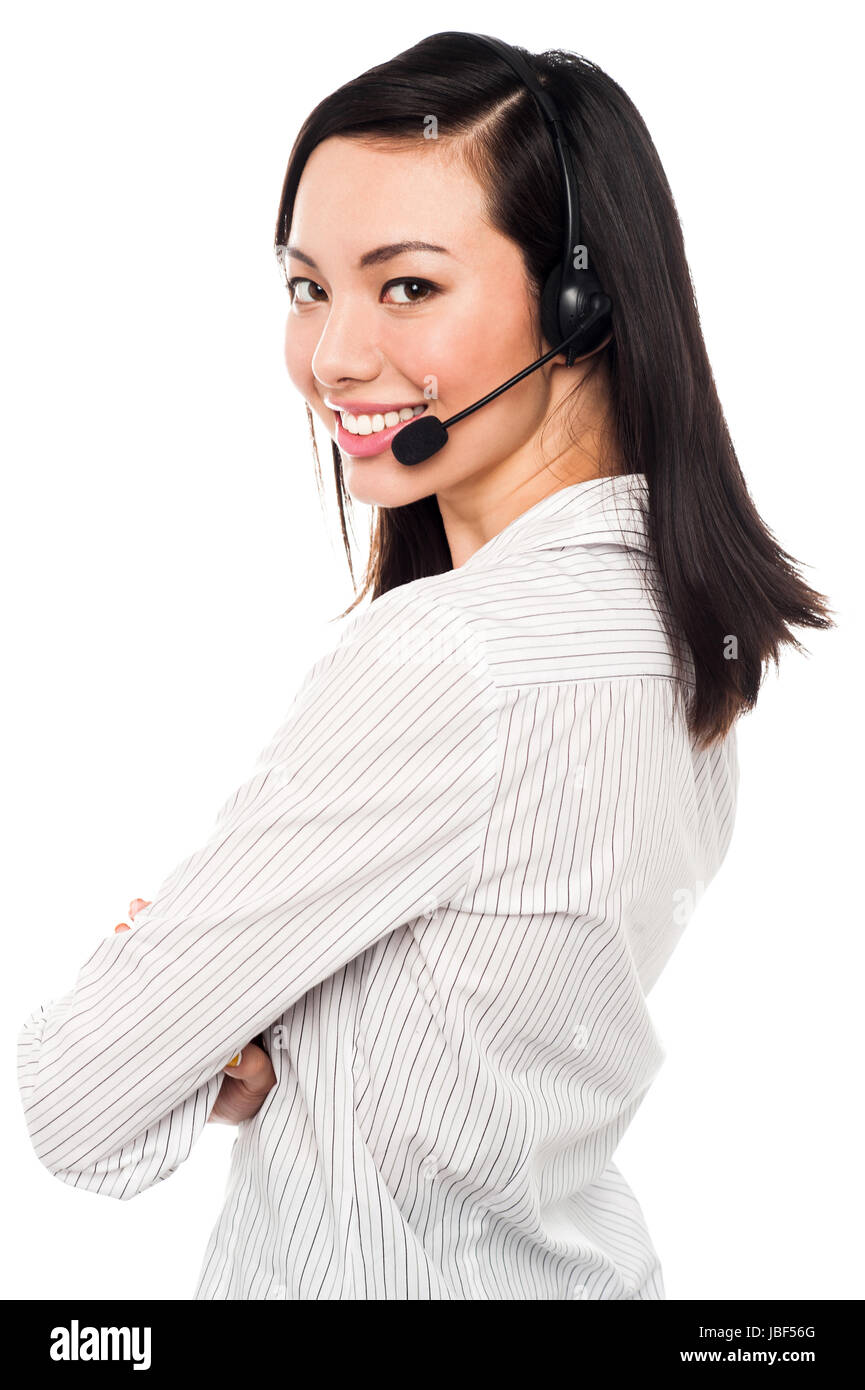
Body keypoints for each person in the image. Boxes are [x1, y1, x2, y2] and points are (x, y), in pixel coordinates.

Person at [17, 31, 833, 1300]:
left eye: (405, 287)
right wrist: (276, 1032)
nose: (333, 356)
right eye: (305, 287)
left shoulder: (457, 654)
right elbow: (483, 1037)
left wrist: (163, 1016)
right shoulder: (681, 635)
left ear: (583, 301)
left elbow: (75, 1101)